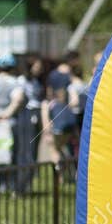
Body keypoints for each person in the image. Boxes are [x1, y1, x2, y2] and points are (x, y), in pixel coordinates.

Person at [0, 54, 26, 195]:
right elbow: (18, 100)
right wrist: (7, 113)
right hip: (9, 123)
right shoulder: (15, 82)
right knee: (12, 156)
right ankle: (13, 188)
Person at [46, 50, 83, 181]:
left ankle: (60, 176)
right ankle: (72, 174)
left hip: (57, 112)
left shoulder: (53, 74)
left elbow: (49, 93)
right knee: (73, 147)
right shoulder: (71, 75)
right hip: (70, 115)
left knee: (56, 148)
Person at [14, 56, 47, 193]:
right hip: (27, 117)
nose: (40, 70)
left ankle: (26, 184)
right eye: (37, 66)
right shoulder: (21, 81)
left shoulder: (35, 81)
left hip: (36, 117)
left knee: (33, 152)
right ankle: (20, 186)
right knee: (26, 152)